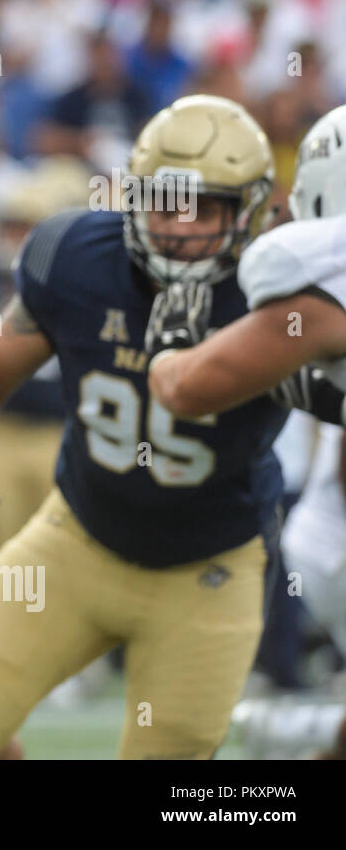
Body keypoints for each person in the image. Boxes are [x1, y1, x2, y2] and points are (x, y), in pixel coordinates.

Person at [0, 94, 287, 759]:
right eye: (164, 201)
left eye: (203, 206)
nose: (179, 227)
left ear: (245, 212)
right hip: (76, 540)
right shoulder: (79, 259)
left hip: (206, 569)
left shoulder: (277, 293)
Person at [147, 104, 346, 759]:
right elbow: (189, 386)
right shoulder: (321, 292)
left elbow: (187, 383)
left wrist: (173, 355)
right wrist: (176, 363)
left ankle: (301, 738)